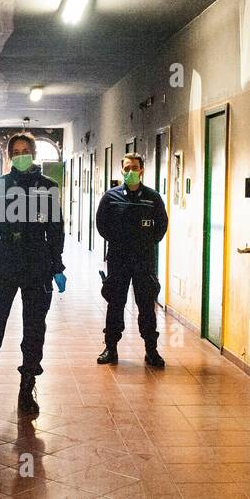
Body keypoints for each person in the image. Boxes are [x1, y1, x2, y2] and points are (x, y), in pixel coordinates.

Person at [0, 132, 66, 418]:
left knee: (34, 330)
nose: (21, 155)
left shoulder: (48, 187)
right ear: (10, 156)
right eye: (16, 151)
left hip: (37, 267)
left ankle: (27, 386)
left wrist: (58, 266)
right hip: (5, 265)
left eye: (25, 150)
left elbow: (55, 230)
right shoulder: (1, 186)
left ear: (33, 154)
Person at [95, 152, 169, 368]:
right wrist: (118, 241)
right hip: (118, 258)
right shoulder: (111, 197)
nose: (130, 172)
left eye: (134, 168)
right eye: (126, 168)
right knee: (115, 302)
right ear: (122, 170)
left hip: (144, 260)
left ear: (142, 170)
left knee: (146, 304)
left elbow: (161, 226)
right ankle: (111, 347)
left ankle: (151, 350)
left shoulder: (152, 198)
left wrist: (145, 243)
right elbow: (101, 224)